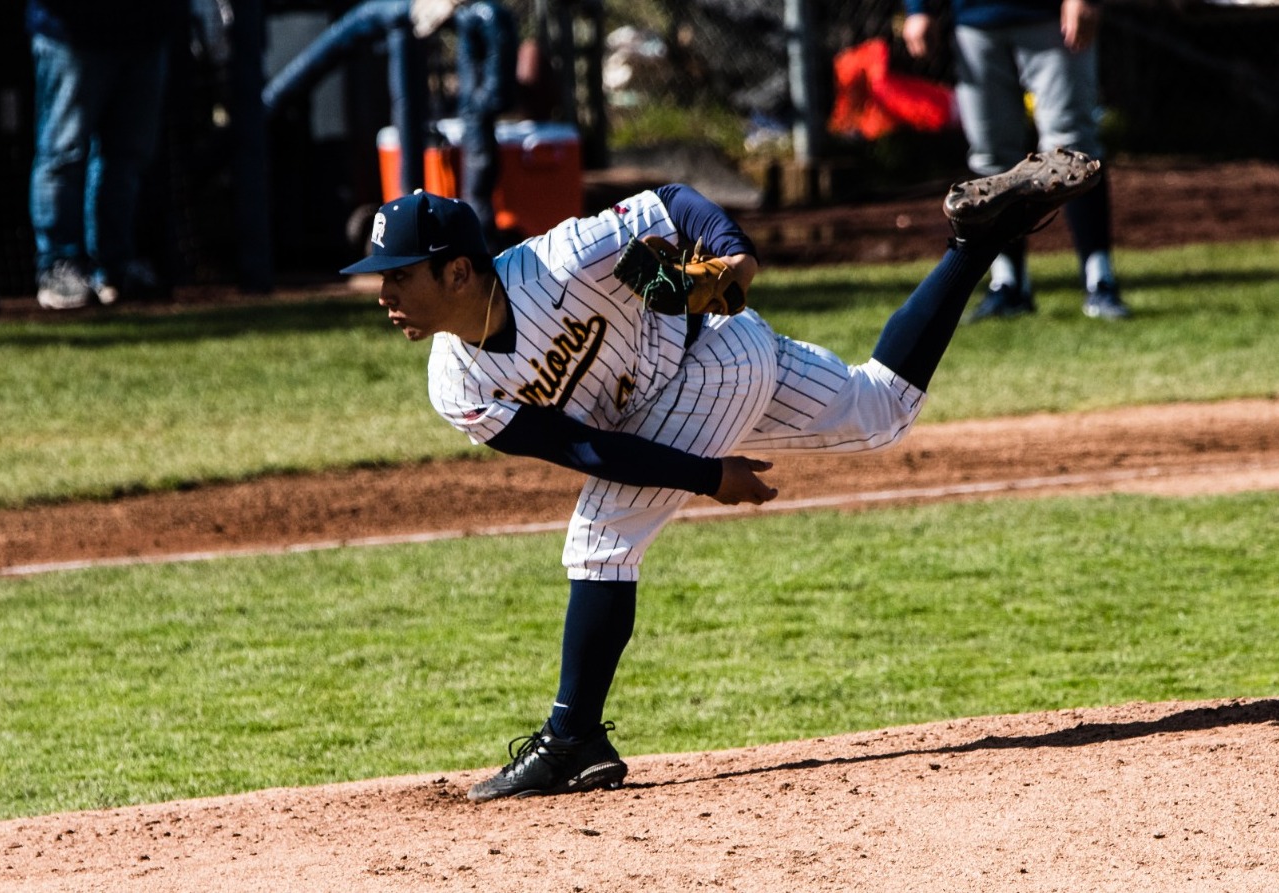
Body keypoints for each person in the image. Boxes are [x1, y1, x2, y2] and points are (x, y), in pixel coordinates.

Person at [341, 148, 1102, 802]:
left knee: (600, 540)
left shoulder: (563, 258)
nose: (382, 296)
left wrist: (732, 255)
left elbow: (676, 204)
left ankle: (573, 737)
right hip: (718, 373)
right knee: (883, 409)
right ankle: (973, 244)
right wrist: (709, 475)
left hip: (717, 354)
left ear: (459, 271)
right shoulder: (457, 385)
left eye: (397, 277)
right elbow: (587, 450)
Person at [902, 0, 1130, 321]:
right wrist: (917, 8)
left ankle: (1099, 279)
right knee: (990, 154)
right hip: (973, 20)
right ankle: (1007, 282)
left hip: (1050, 17)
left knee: (1071, 150)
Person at [26, 0, 181, 310]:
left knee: (127, 159)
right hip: (72, 34)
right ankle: (59, 265)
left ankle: (115, 268)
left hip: (145, 33)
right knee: (63, 156)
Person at [411, 0, 518, 244]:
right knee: (476, 189)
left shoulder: (487, 15)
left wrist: (479, 106)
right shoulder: (474, 20)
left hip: (479, 122)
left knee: (479, 190)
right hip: (476, 121)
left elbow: (499, 87)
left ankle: (484, 250)